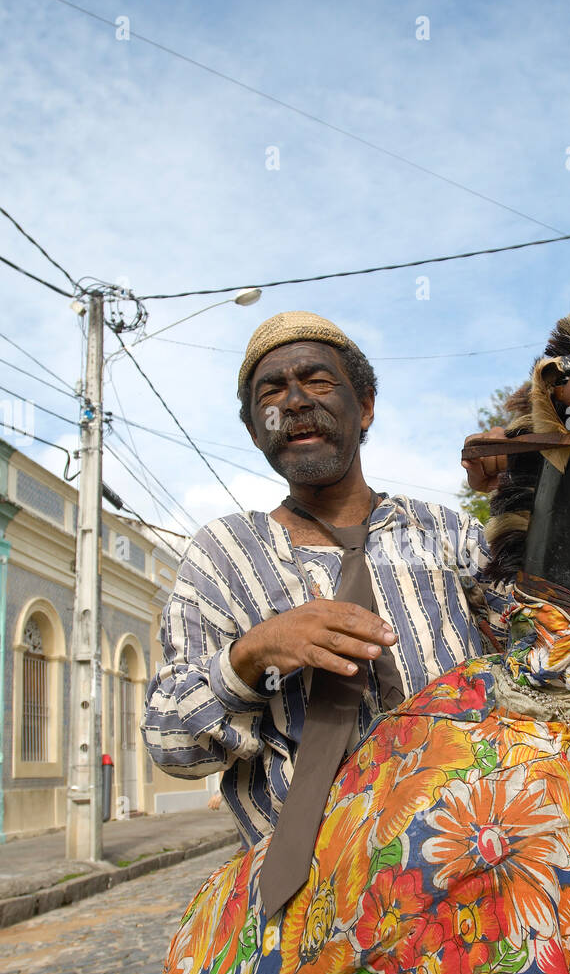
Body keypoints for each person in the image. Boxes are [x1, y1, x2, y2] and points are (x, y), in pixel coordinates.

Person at [142, 311, 509, 850]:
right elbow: (170, 742)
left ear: (364, 407)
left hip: (480, 859)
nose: (293, 401)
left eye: (316, 380)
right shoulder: (223, 553)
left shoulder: (444, 531)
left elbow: (554, 652)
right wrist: (249, 658)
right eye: (272, 391)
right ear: (253, 430)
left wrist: (529, 500)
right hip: (318, 901)